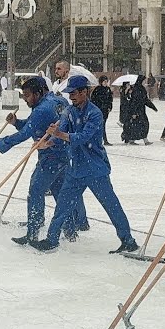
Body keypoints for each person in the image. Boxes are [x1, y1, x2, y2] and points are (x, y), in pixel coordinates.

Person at [28, 75, 139, 254]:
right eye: (69, 94)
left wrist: (59, 134)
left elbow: (82, 137)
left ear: (84, 92)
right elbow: (61, 134)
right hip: (76, 168)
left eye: (74, 93)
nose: (71, 97)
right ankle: (51, 240)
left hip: (95, 168)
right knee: (62, 205)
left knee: (111, 205)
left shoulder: (95, 114)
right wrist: (48, 143)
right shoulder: (69, 111)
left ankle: (128, 240)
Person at [0, 77, 88, 245]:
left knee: (36, 191)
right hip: (64, 155)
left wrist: (1, 142)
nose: (25, 99)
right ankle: (70, 231)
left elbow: (26, 133)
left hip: (50, 157)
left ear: (38, 93)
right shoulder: (59, 100)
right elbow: (36, 124)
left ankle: (33, 232)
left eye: (27, 95)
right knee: (60, 195)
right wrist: (16, 122)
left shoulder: (41, 109)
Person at [120, 77, 156, 144]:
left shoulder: (141, 89)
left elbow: (145, 100)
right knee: (143, 125)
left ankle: (133, 140)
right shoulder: (136, 90)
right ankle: (143, 140)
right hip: (137, 111)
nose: (145, 82)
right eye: (144, 81)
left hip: (141, 110)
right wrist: (134, 113)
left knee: (138, 125)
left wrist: (153, 107)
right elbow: (134, 102)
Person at [91, 76, 114, 145]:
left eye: (106, 81)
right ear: (101, 82)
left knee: (102, 125)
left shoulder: (108, 89)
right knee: (100, 125)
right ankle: (102, 139)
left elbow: (110, 100)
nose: (105, 83)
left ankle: (103, 139)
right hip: (99, 110)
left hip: (105, 110)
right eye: (104, 81)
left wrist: (109, 107)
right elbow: (93, 100)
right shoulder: (97, 89)